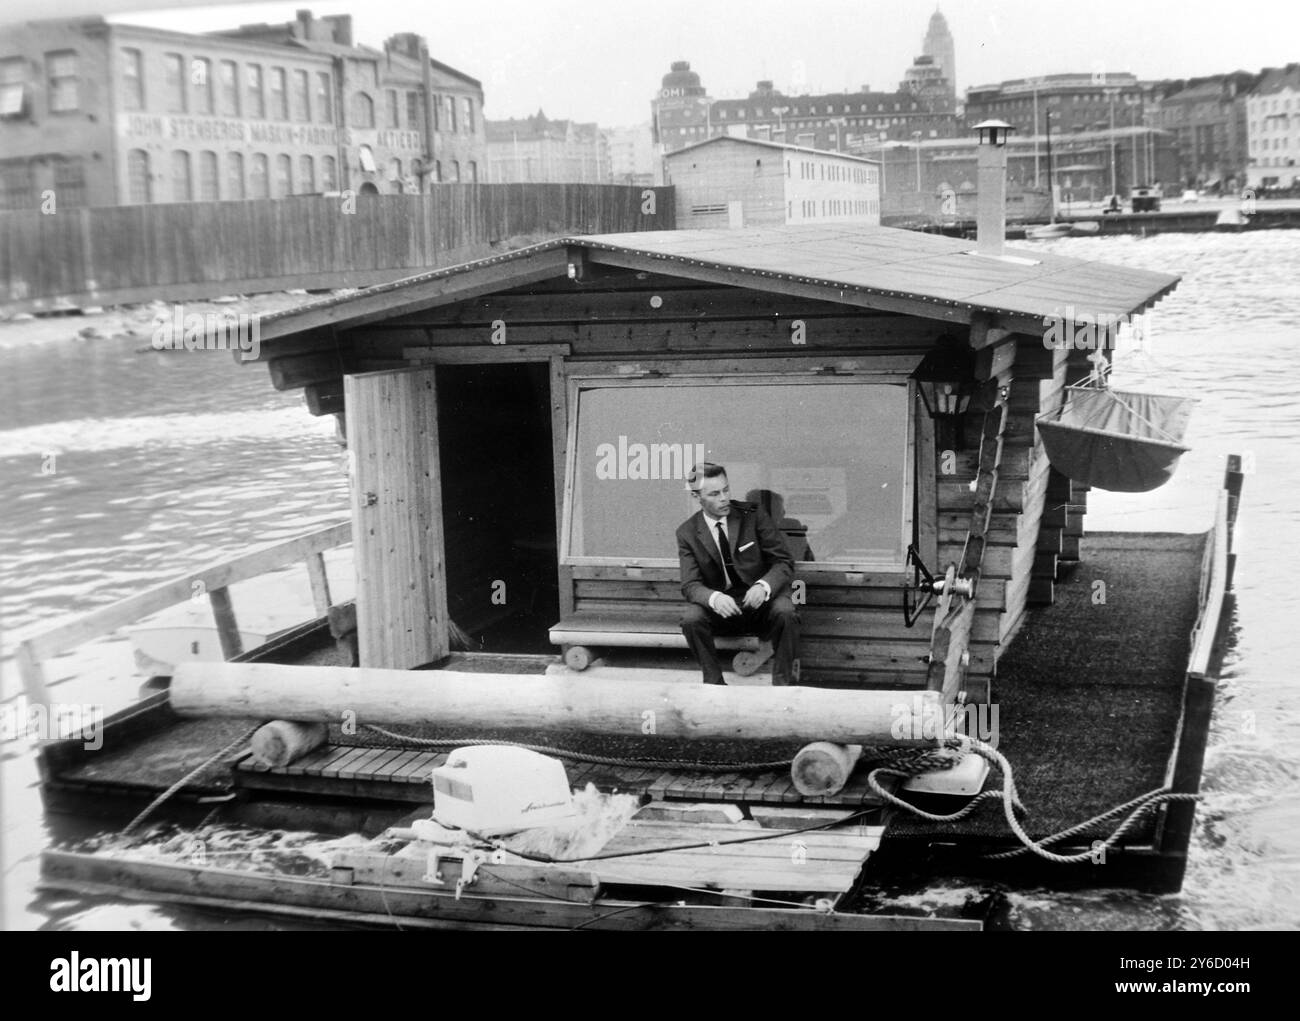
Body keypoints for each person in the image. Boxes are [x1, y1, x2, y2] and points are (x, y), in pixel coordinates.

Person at [677, 463, 800, 685]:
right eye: (714, 494)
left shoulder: (753, 515)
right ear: (697, 497)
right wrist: (714, 598)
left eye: (726, 489)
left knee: (786, 611)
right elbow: (690, 585)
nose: (724, 498)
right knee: (691, 619)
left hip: (761, 607)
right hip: (723, 611)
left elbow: (783, 561)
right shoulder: (687, 532)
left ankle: (783, 687)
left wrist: (763, 586)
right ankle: (714, 685)